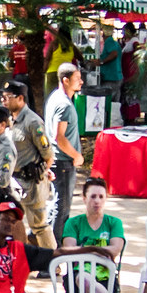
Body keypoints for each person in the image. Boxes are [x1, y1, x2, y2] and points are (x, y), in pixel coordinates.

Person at [1, 80, 53, 246]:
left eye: (8, 97)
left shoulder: (33, 122)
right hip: (13, 182)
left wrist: (43, 169)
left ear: (21, 98)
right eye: (3, 97)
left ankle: (52, 262)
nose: (4, 100)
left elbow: (48, 153)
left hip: (31, 184)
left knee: (39, 225)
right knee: (14, 224)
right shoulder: (9, 120)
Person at [46, 62, 84, 232]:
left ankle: (43, 239)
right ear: (65, 80)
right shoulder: (64, 105)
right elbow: (59, 137)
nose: (81, 81)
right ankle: (55, 247)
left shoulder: (56, 97)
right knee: (61, 208)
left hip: (57, 160)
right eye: (77, 78)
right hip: (63, 162)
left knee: (57, 204)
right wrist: (77, 155)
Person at [96, 25, 125, 125]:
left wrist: (102, 62)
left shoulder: (109, 42)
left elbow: (114, 54)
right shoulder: (114, 42)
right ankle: (114, 122)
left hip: (111, 77)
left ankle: (110, 123)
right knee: (114, 103)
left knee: (107, 101)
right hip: (116, 76)